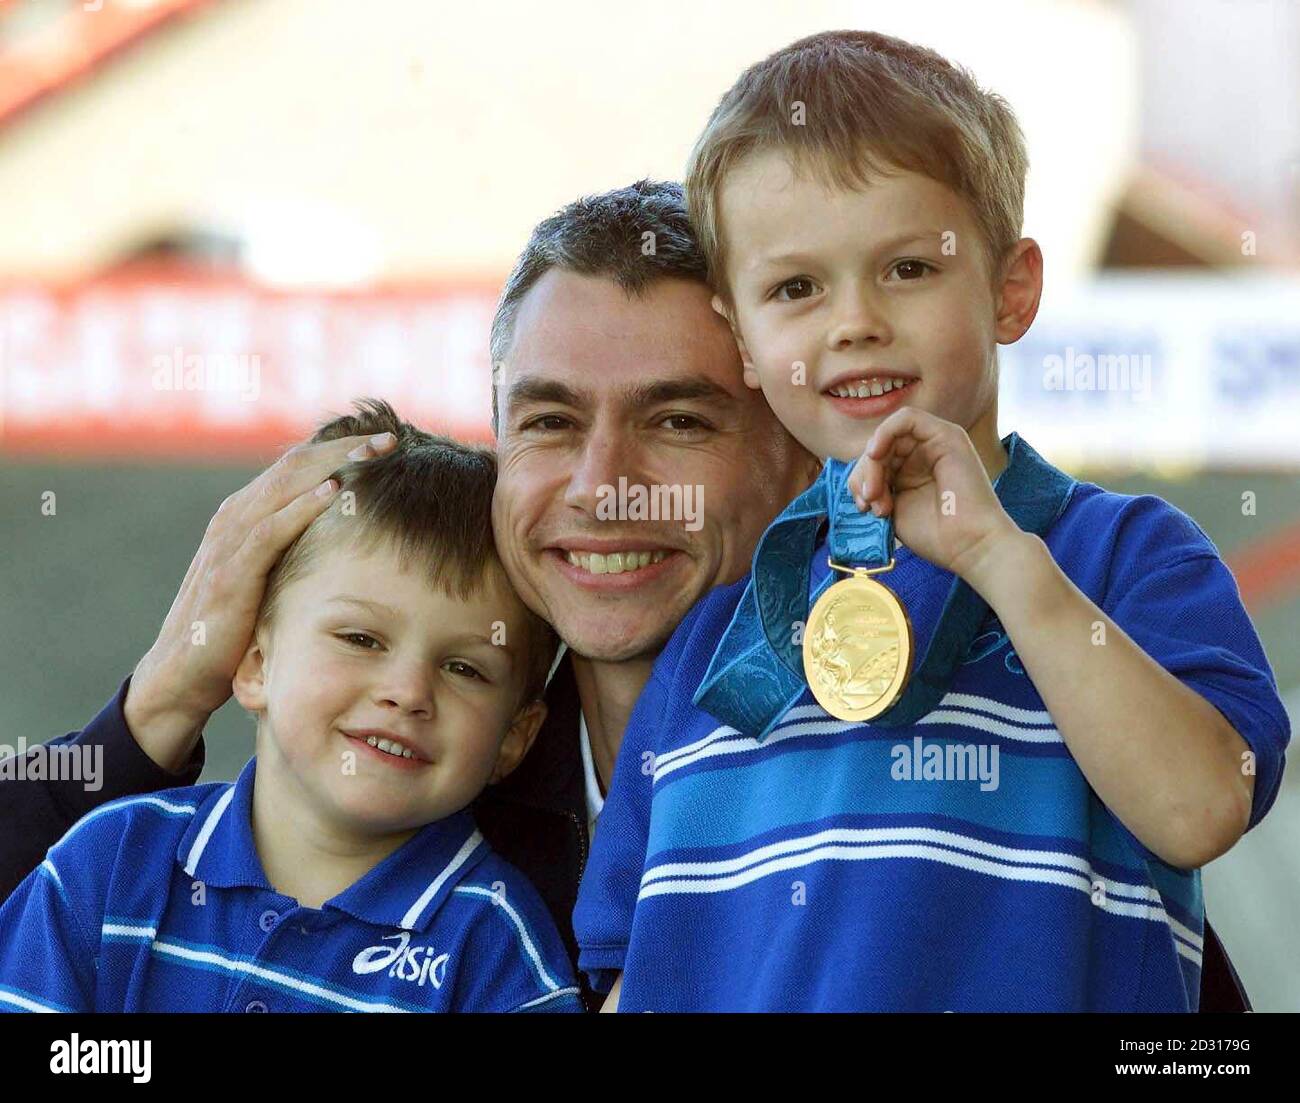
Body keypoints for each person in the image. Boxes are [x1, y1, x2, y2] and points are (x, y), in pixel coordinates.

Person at [0, 183, 1257, 1012]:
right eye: (547, 422)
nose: (605, 488)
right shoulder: (413, 782)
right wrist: (161, 699)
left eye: (676, 419)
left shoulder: (982, 782)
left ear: (797, 446)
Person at [573, 30, 1290, 1011]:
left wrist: (1001, 557)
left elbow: (1200, 806)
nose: (853, 320)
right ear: (741, 339)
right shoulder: (706, 647)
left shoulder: (1126, 554)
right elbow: (627, 979)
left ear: (1009, 287)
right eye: (795, 287)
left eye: (907, 268)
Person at [0, 401, 582, 1013]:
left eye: (464, 668)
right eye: (361, 639)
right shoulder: (108, 862)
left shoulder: (500, 952)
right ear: (253, 662)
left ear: (516, 737)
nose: (408, 692)